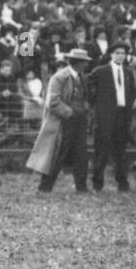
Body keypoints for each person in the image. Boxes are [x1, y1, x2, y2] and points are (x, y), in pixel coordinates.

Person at [27, 48, 91, 193]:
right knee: (56, 154)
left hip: (79, 121)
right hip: (63, 122)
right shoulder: (59, 77)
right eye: (83, 62)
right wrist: (70, 113)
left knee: (81, 154)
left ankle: (82, 188)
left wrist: (85, 108)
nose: (86, 65)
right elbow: (53, 102)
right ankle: (45, 187)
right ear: (76, 62)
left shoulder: (82, 77)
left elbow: (84, 97)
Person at [87, 41, 135, 192]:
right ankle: (97, 182)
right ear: (111, 54)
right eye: (118, 53)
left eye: (123, 53)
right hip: (106, 115)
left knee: (121, 150)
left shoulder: (128, 72)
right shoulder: (101, 70)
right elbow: (88, 85)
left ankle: (122, 182)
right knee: (102, 149)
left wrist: (128, 104)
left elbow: (134, 90)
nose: (121, 56)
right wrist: (98, 103)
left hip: (122, 115)